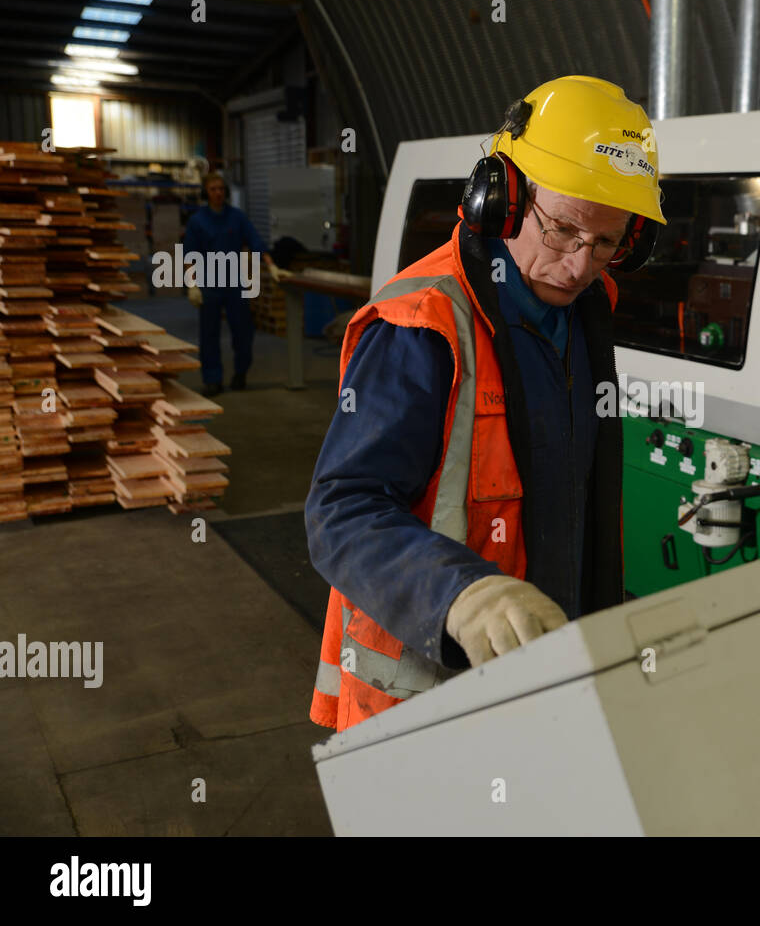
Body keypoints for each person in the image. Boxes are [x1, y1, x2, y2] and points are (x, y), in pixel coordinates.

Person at [305, 76, 665, 731]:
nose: (581, 265)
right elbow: (340, 510)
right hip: (424, 698)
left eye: (608, 243)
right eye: (562, 231)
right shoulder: (423, 324)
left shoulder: (588, 314)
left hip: (539, 678)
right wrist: (462, 595)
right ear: (500, 197)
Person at [183, 172, 286, 396]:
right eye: (213, 189)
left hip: (234, 283)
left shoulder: (237, 217)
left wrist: (271, 265)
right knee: (209, 334)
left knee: (243, 332)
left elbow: (255, 241)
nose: (218, 193)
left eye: (221, 188)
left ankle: (241, 372)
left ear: (226, 192)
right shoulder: (197, 221)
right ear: (206, 192)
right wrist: (192, 284)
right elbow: (189, 255)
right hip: (208, 283)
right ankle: (213, 379)